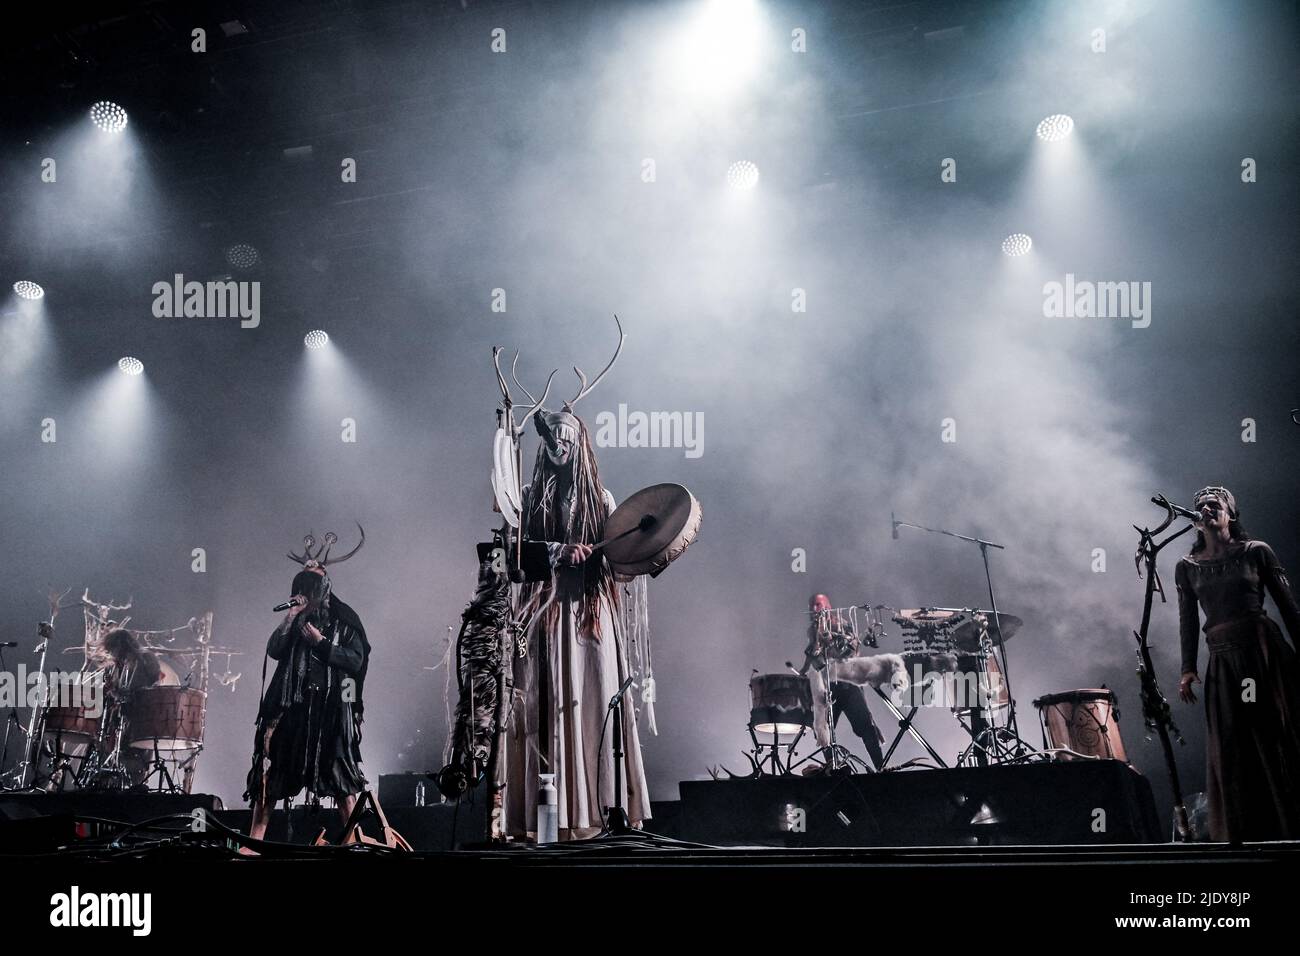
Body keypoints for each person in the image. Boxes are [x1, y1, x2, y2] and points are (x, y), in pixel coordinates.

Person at [504, 400, 651, 840]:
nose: (560, 446)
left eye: (568, 439)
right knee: (541, 707)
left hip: (589, 617)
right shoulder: (530, 499)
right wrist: (555, 552)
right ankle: (543, 820)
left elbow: (621, 562)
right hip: (544, 611)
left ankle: (595, 814)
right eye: (553, 439)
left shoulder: (600, 499)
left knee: (590, 702)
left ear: (580, 443)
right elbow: (512, 558)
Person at [1175, 485, 1300, 841]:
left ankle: (1291, 828)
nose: (1207, 509)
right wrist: (1187, 668)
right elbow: (1187, 621)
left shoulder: (1256, 552)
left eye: (1215, 505)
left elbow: (1289, 609)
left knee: (1275, 733)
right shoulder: (1187, 568)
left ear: (1231, 513)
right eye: (1201, 506)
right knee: (1233, 745)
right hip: (1223, 660)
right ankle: (1245, 834)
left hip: (1263, 654)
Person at [244, 552, 369, 846]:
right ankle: (253, 844)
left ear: (323, 590)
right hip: (294, 711)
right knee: (272, 776)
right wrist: (290, 617)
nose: (305, 595)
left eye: (311, 588)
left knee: (341, 778)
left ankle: (353, 842)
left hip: (330, 712)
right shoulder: (296, 621)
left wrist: (322, 644)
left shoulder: (345, 620)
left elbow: (355, 660)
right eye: (301, 588)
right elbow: (275, 650)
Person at [799, 593, 886, 770]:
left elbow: (851, 651)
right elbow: (812, 654)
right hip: (828, 686)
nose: (814, 609)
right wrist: (802, 671)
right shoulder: (812, 630)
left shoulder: (840, 622)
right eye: (812, 606)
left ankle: (881, 768)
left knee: (865, 726)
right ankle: (833, 766)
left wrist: (830, 640)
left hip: (848, 684)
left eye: (817, 605)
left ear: (827, 606)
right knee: (822, 729)